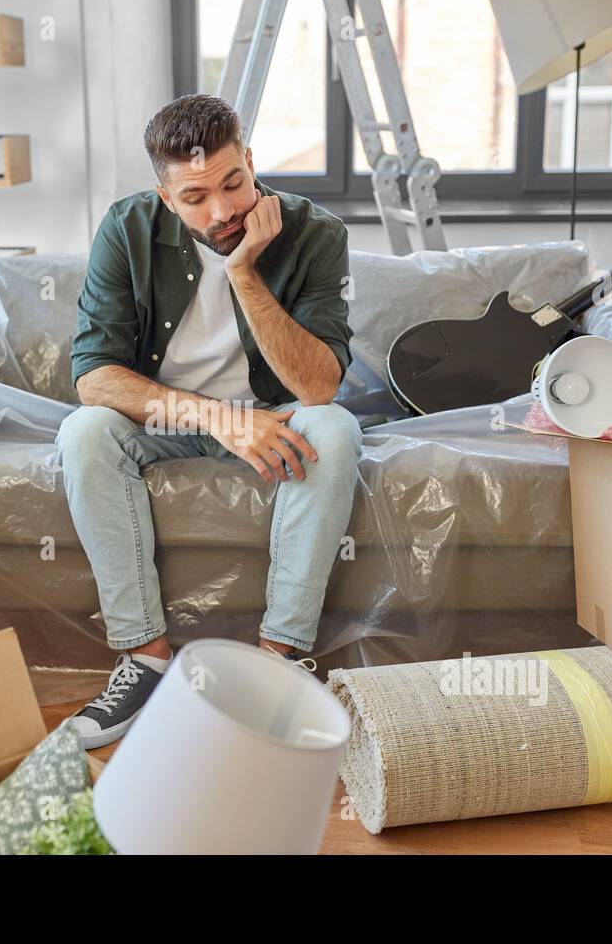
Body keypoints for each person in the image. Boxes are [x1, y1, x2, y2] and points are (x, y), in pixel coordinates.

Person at [57, 94, 362, 749]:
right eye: (195, 197)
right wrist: (220, 419)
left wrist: (245, 271)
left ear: (251, 162)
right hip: (169, 419)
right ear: (166, 198)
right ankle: (145, 660)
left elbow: (318, 385)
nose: (222, 211)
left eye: (234, 184)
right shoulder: (126, 229)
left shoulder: (316, 234)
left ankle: (277, 662)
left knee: (335, 431)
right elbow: (95, 378)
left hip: (276, 419)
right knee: (84, 433)